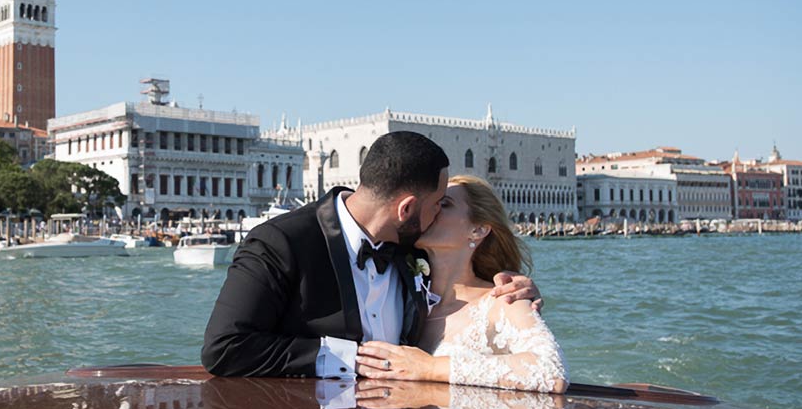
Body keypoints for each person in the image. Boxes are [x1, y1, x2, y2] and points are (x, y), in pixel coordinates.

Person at [202, 132, 541, 378]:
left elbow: (464, 300)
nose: (437, 214)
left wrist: (519, 295)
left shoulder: (416, 249)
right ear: (406, 208)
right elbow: (226, 348)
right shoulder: (281, 242)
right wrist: (349, 358)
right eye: (437, 203)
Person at [355, 175, 568, 393]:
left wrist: (429, 368)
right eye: (430, 202)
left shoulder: (504, 300)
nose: (430, 210)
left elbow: (552, 371)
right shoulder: (396, 289)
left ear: (478, 230)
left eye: (444, 204)